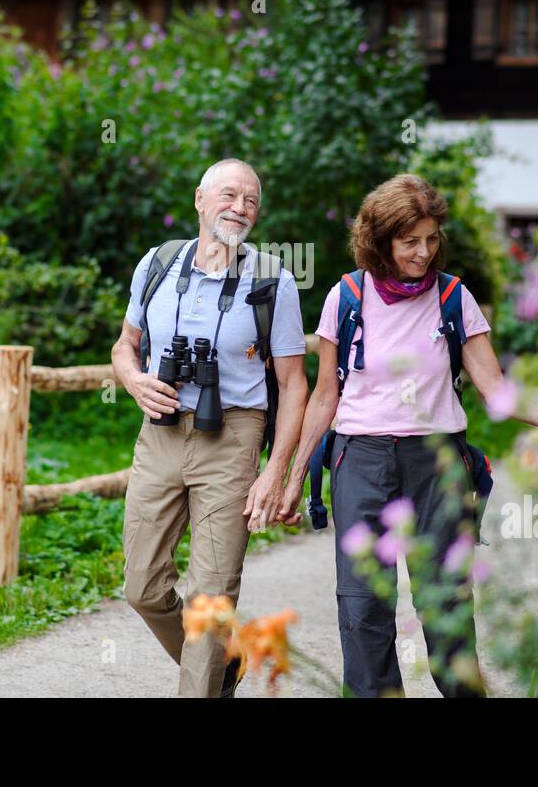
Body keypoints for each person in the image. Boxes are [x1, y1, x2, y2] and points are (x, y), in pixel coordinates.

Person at [280, 173, 538, 697]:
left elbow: (496, 391)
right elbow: (325, 396)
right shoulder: (345, 297)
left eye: (432, 238)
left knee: (445, 606)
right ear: (381, 240)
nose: (423, 252)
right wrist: (293, 475)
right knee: (363, 605)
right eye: (409, 241)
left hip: (437, 465)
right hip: (360, 459)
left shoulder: (452, 298)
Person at [110, 158, 308, 697]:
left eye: (250, 201)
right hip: (161, 428)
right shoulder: (157, 264)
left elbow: (293, 385)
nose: (239, 207)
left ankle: (203, 677)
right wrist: (131, 379)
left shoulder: (273, 280)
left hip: (234, 434)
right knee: (142, 587)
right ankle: (225, 662)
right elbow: (124, 345)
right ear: (199, 199)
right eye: (228, 195)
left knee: (211, 596)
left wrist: (275, 470)